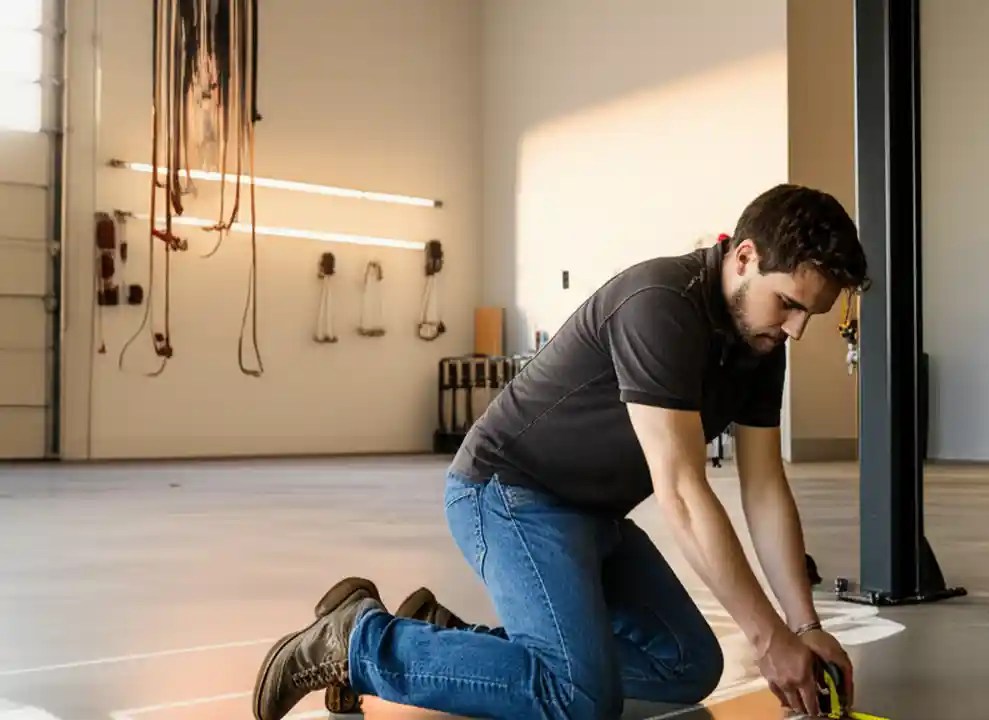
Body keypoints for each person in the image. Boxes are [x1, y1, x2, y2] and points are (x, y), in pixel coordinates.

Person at [252, 183, 870, 720]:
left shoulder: (760, 342)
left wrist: (804, 627)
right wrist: (767, 641)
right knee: (578, 698)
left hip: (594, 517)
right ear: (744, 257)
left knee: (687, 665)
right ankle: (355, 642)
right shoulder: (660, 305)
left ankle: (444, 638)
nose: (795, 329)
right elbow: (681, 491)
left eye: (809, 314)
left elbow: (764, 486)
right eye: (789, 303)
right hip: (510, 494)